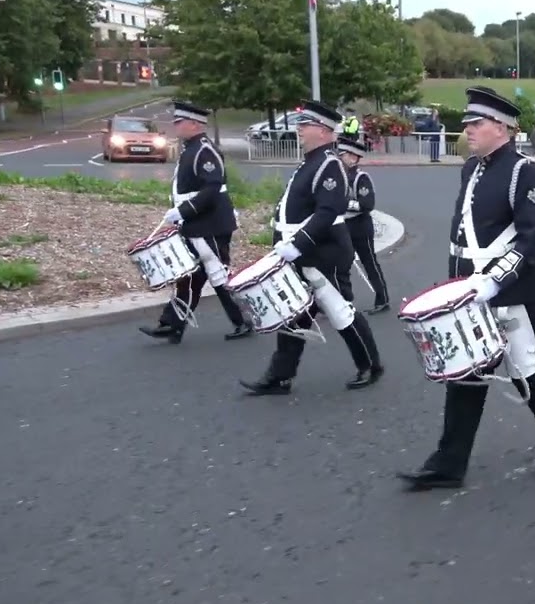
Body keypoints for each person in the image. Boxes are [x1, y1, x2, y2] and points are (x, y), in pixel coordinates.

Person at [398, 87, 535, 490]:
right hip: (470, 290)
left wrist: (494, 280)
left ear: (503, 127)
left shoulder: (526, 172)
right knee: (466, 373)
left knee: (524, 367)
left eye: (476, 124)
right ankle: (448, 463)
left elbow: (531, 240)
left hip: (518, 287)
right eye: (467, 124)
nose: (468, 131)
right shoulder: (472, 168)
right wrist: (458, 288)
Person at [239, 100, 384, 395]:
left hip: (323, 253)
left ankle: (371, 365)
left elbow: (327, 212)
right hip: (303, 252)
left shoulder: (330, 165)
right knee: (294, 314)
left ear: (322, 130)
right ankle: (280, 377)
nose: (299, 130)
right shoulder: (313, 162)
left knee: (341, 312)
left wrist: (297, 244)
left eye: (305, 125)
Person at [138, 100, 252, 344]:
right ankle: (172, 325)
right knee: (190, 276)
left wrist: (184, 210)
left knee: (218, 273)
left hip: (209, 223)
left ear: (194, 124)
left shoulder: (204, 151)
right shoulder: (191, 148)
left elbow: (212, 188)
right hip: (197, 223)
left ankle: (244, 320)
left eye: (179, 121)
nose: (175, 125)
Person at [337, 133, 390, 314]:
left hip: (360, 225)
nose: (340, 157)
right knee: (341, 263)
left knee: (369, 263)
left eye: (343, 154)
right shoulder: (337, 176)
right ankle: (344, 301)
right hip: (343, 226)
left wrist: (342, 204)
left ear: (352, 156)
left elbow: (367, 204)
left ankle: (382, 298)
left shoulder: (361, 178)